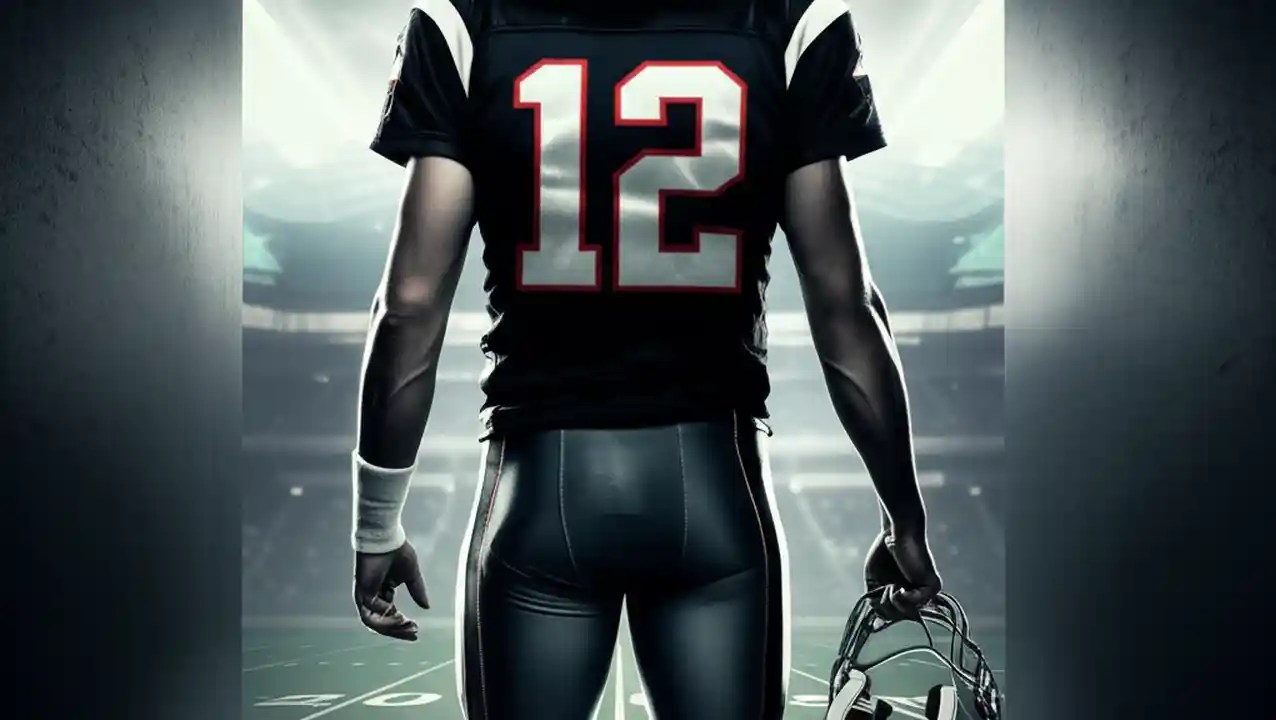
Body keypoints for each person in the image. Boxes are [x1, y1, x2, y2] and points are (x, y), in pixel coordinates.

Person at [349, 1, 942, 717]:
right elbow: (845, 307)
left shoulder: (466, 20)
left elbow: (409, 306)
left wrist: (377, 522)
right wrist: (903, 520)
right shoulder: (789, 20)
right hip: (716, 482)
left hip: (537, 485)